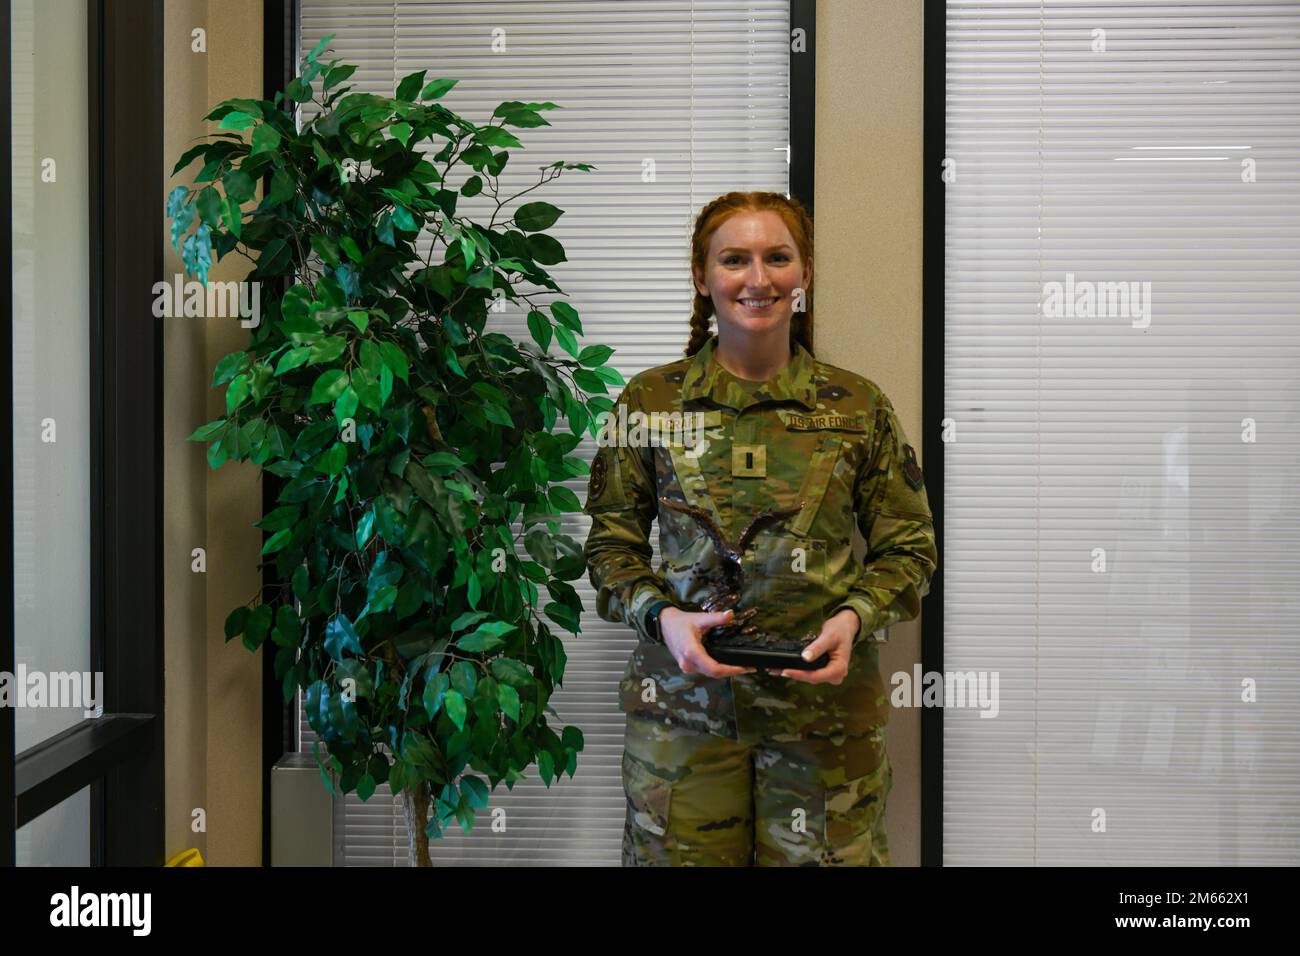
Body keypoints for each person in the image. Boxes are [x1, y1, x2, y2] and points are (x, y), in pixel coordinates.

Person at [582, 191, 938, 866]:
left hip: (823, 727)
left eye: (778, 257)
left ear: (804, 274)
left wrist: (857, 617)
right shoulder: (648, 404)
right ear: (701, 276)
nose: (758, 278)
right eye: (734, 259)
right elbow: (610, 547)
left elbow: (909, 546)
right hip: (683, 721)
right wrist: (663, 618)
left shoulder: (857, 407)